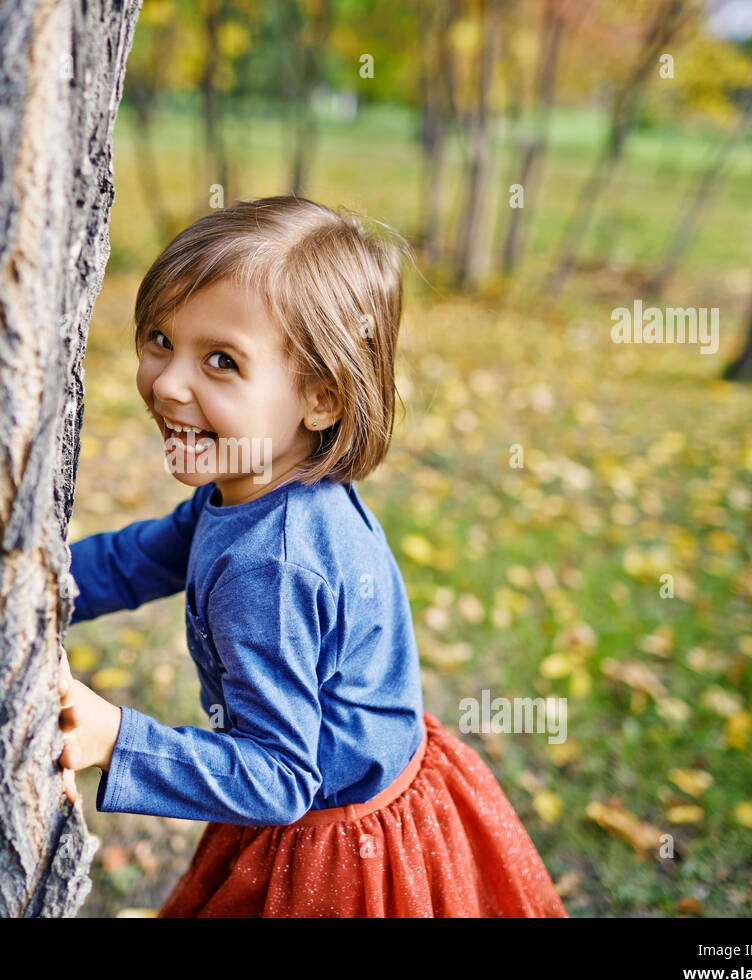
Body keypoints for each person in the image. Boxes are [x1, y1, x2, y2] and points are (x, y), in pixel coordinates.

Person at [57, 195, 567, 918]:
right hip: (373, 793)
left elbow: (277, 779)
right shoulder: (253, 486)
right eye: (161, 339)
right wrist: (38, 587)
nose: (169, 383)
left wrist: (116, 738)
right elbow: (141, 559)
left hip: (334, 853)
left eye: (222, 361)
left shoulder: (275, 564)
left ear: (320, 398)